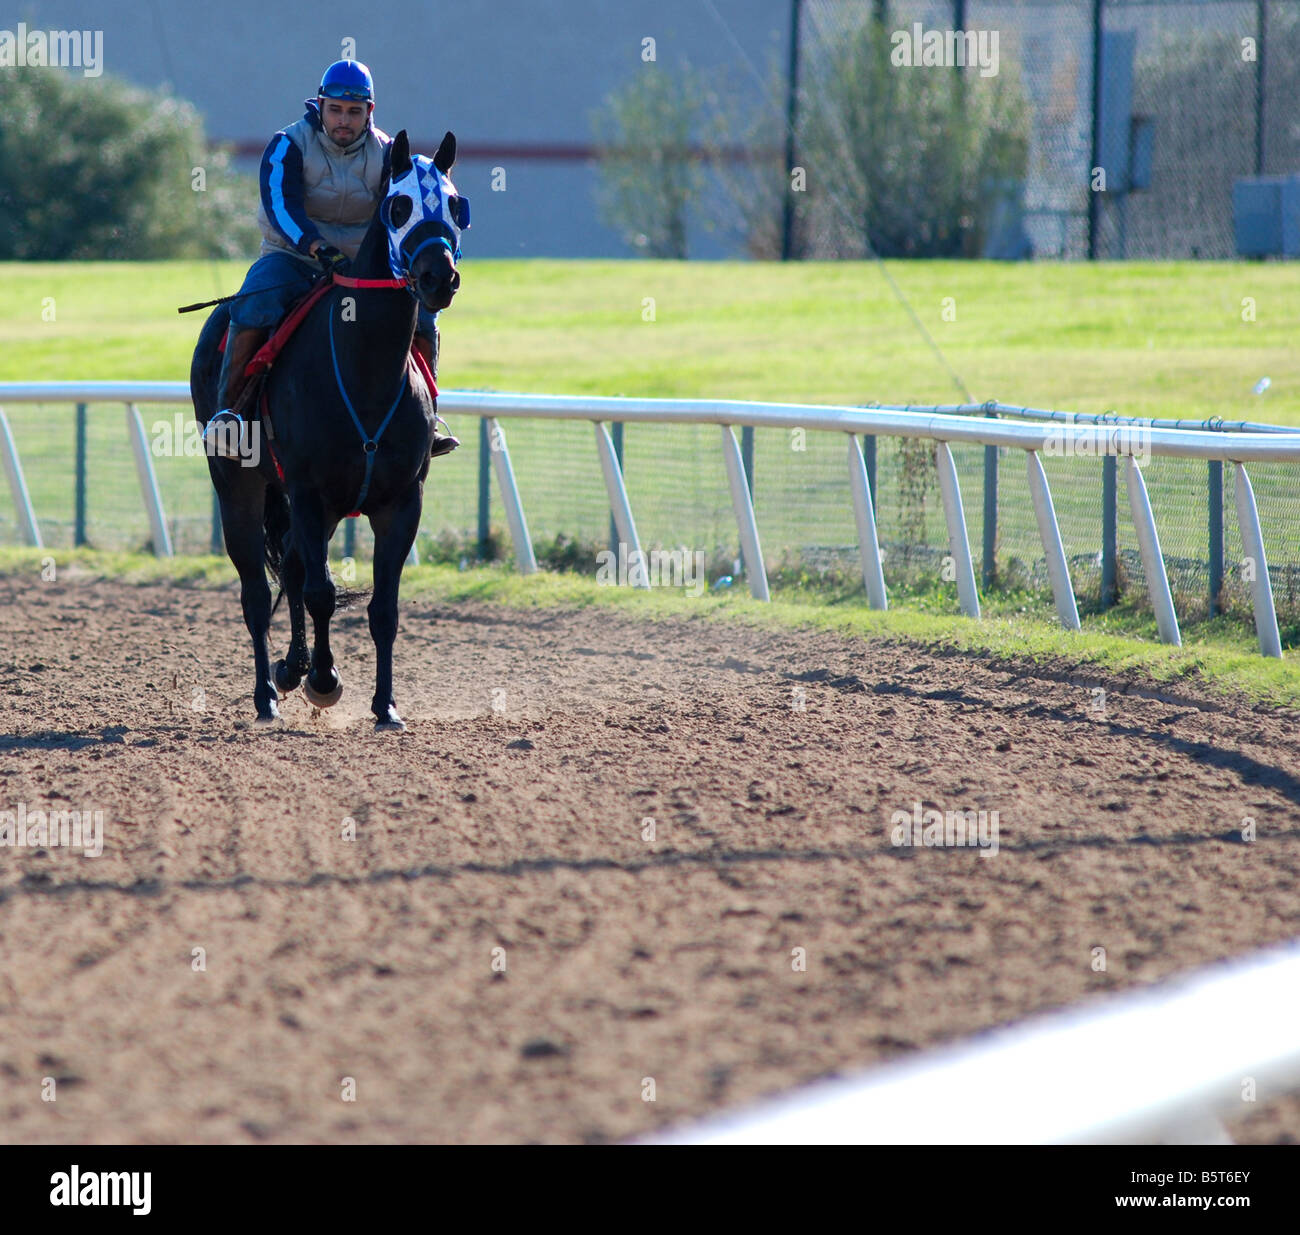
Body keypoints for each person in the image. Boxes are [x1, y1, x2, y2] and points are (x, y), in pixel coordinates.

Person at [208, 59, 451, 453]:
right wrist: (316, 246)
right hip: (292, 257)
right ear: (319, 105)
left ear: (369, 112)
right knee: (255, 302)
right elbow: (280, 207)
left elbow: (402, 215)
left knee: (424, 313)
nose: (344, 120)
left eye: (354, 112)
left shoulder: (389, 154)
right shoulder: (287, 144)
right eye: (335, 110)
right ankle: (229, 414)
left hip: (364, 268)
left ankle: (429, 417)